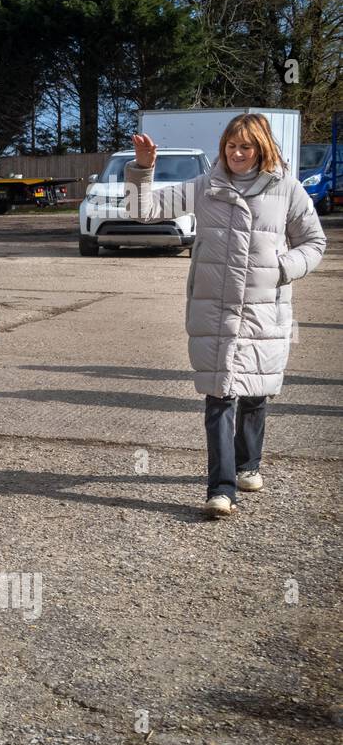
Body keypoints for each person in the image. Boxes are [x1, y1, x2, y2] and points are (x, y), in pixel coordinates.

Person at [125, 114, 326, 518]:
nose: (236, 153)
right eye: (230, 146)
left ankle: (248, 464)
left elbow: (314, 241)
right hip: (214, 309)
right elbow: (140, 211)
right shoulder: (206, 186)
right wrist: (143, 169)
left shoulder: (285, 188)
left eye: (245, 147)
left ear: (261, 149)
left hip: (263, 309)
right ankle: (220, 488)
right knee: (219, 395)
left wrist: (283, 269)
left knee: (254, 392)